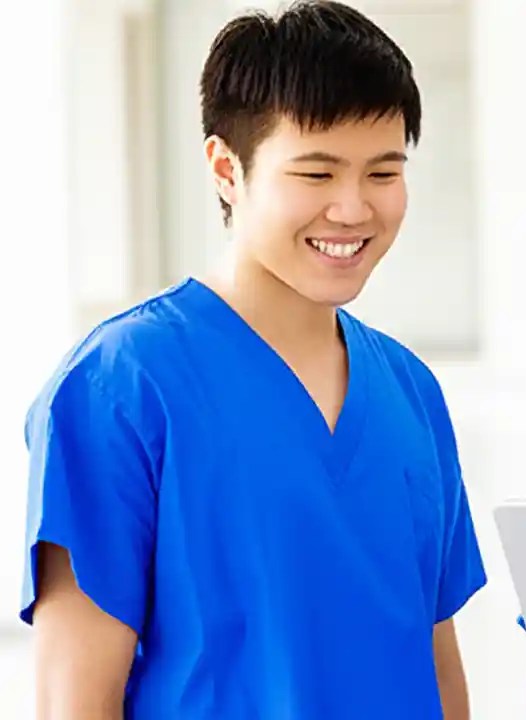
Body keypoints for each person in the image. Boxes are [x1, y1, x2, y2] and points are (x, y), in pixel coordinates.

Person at [20, 2, 486, 718]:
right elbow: (71, 701)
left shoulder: (409, 390)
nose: (355, 209)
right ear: (226, 169)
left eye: (383, 172)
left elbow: (436, 667)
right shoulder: (121, 386)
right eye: (316, 174)